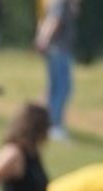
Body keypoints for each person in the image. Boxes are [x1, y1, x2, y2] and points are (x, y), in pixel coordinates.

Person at [34, 0, 77, 140]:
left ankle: (45, 122)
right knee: (62, 88)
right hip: (58, 49)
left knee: (54, 88)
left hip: (56, 49)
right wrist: (43, 40)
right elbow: (54, 21)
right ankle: (54, 125)